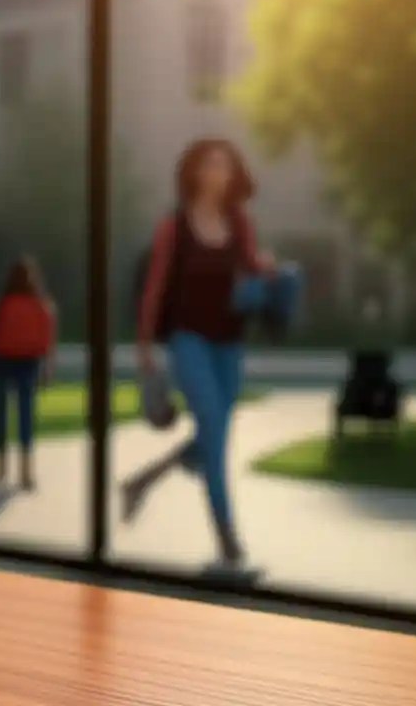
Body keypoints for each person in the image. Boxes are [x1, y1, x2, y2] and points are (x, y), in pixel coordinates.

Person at [125, 138, 274, 574]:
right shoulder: (174, 226)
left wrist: (267, 269)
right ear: (194, 171)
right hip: (188, 339)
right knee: (213, 428)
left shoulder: (239, 222)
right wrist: (144, 346)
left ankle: (143, 481)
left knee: (214, 432)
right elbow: (155, 286)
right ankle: (228, 540)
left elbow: (249, 265)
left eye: (226, 165)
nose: (219, 172)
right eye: (211, 164)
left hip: (230, 342)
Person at [0, 256, 57, 491]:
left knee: (0, 414)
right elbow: (47, 338)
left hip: (2, 359)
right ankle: (26, 472)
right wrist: (48, 366)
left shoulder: (1, 303)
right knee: (25, 415)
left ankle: (1, 468)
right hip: (28, 362)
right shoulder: (41, 304)